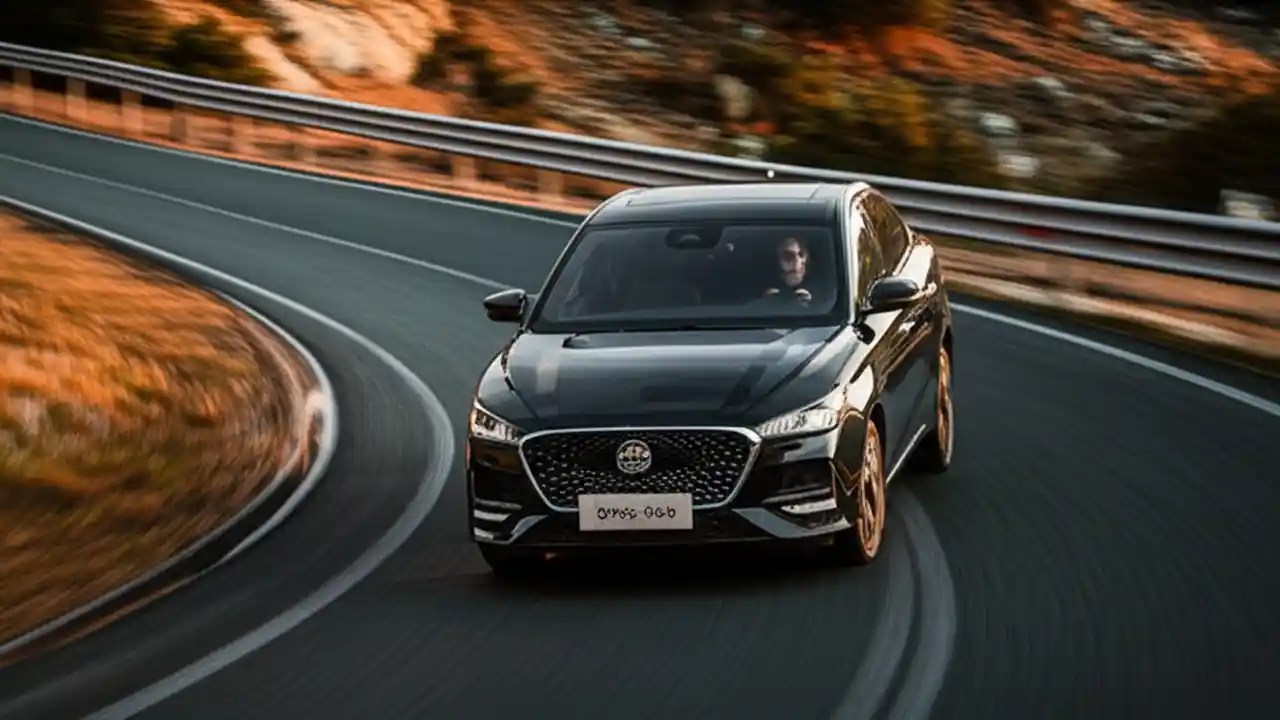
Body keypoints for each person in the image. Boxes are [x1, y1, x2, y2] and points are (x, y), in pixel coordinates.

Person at [762, 235, 813, 305]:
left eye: (801, 254)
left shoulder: (823, 295)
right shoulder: (766, 298)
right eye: (788, 256)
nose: (797, 260)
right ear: (777, 262)